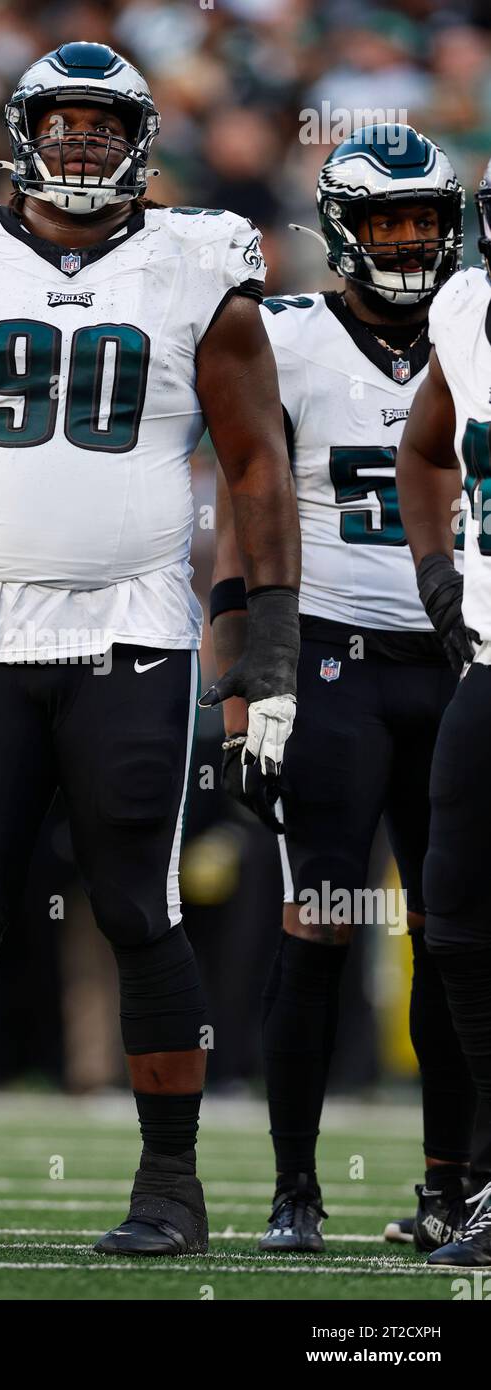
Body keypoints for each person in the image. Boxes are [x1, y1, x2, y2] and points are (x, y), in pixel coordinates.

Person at [0, 41, 300, 1257]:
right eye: (62, 121)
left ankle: (170, 1187)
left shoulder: (199, 259)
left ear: (140, 143)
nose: (81, 141)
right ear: (22, 135)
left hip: (132, 623)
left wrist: (270, 640)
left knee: (137, 902)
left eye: (105, 123)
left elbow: (254, 459)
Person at [212, 125, 479, 1253]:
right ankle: (295, 1189)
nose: (409, 241)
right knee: (317, 920)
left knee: (450, 935)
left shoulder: (474, 325)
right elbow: (241, 509)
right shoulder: (284, 337)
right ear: (340, 229)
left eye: (424, 221)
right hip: (329, 660)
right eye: (387, 222)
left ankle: (448, 1188)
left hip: (458, 665)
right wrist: (238, 688)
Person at [396, 155, 491, 1267]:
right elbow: (424, 451)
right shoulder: (464, 311)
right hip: (488, 665)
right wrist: (436, 572)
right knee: (456, 923)